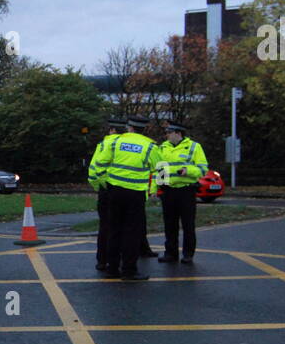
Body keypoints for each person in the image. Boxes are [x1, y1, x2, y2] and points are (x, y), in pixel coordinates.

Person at [94, 114, 157, 280]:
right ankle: (129, 270)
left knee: (114, 229)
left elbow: (99, 163)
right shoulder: (150, 146)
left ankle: (112, 268)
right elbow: (161, 168)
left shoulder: (116, 142)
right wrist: (155, 189)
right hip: (136, 193)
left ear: (129, 127)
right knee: (132, 232)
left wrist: (103, 183)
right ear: (144, 129)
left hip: (115, 191)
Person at [156, 120, 209, 264]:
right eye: (166, 132)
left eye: (169, 132)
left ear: (178, 133)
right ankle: (170, 253)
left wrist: (188, 171)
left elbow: (203, 168)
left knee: (188, 224)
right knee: (169, 224)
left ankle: (188, 254)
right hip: (168, 191)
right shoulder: (162, 148)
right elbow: (159, 168)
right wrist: (159, 188)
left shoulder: (194, 147)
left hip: (186, 190)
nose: (166, 135)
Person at [87, 117, 128, 272]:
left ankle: (102, 260)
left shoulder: (104, 144)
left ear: (112, 130)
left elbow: (93, 171)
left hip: (106, 190)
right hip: (125, 189)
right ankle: (120, 260)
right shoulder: (127, 145)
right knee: (123, 228)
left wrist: (101, 186)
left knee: (105, 227)